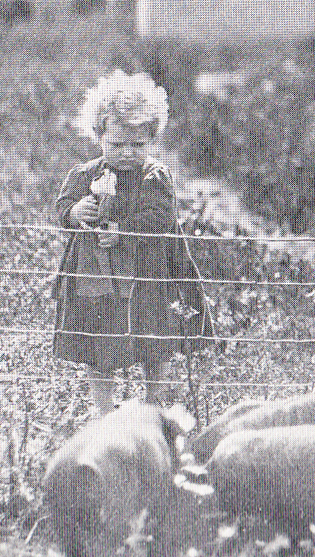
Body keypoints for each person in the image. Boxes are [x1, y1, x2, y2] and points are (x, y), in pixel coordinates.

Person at [52, 70, 213, 414]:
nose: (127, 153)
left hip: (148, 274)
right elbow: (62, 209)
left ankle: (153, 408)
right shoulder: (84, 175)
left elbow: (162, 217)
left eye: (137, 145)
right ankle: (104, 411)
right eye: (117, 144)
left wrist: (123, 231)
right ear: (99, 136)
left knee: (155, 341)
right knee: (99, 345)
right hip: (99, 277)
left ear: (152, 139)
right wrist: (75, 212)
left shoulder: (154, 176)